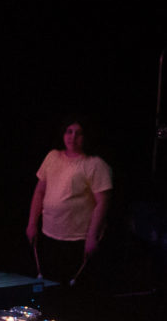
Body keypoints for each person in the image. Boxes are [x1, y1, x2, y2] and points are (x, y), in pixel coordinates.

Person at [26, 119, 112, 288]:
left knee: (71, 288)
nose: (72, 137)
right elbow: (39, 192)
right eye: (69, 132)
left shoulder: (95, 164)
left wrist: (92, 237)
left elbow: (102, 203)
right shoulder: (52, 156)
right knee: (48, 285)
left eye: (78, 133)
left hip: (76, 239)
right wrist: (31, 224)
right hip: (49, 234)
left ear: (85, 137)